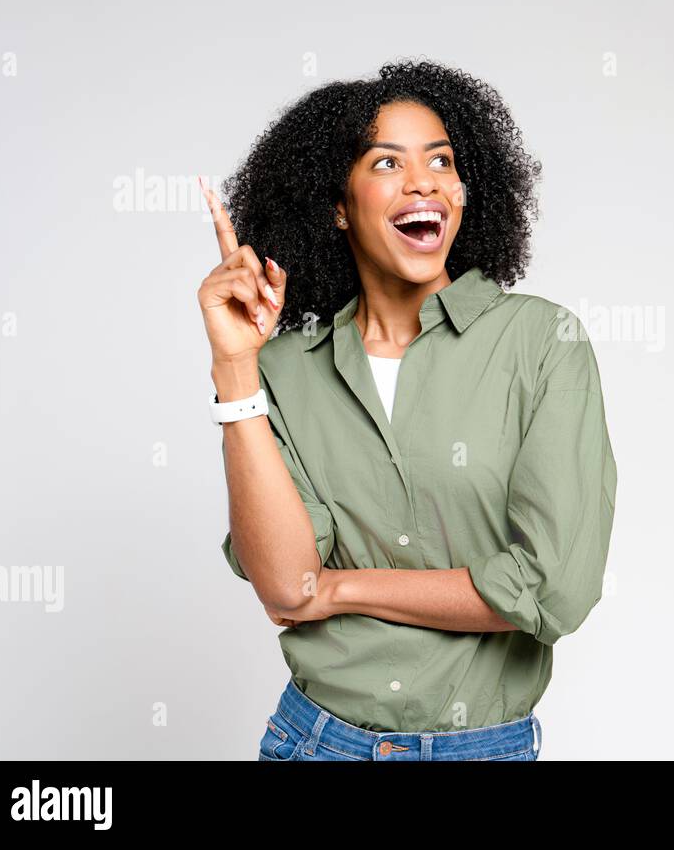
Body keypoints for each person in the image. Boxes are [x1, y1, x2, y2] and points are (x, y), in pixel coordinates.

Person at [196, 59, 617, 761]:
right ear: (336, 203)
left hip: (484, 747)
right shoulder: (285, 371)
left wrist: (338, 589)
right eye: (387, 161)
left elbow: (554, 588)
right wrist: (236, 367)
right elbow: (283, 579)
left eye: (441, 161)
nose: (423, 180)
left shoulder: (543, 342)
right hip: (316, 742)